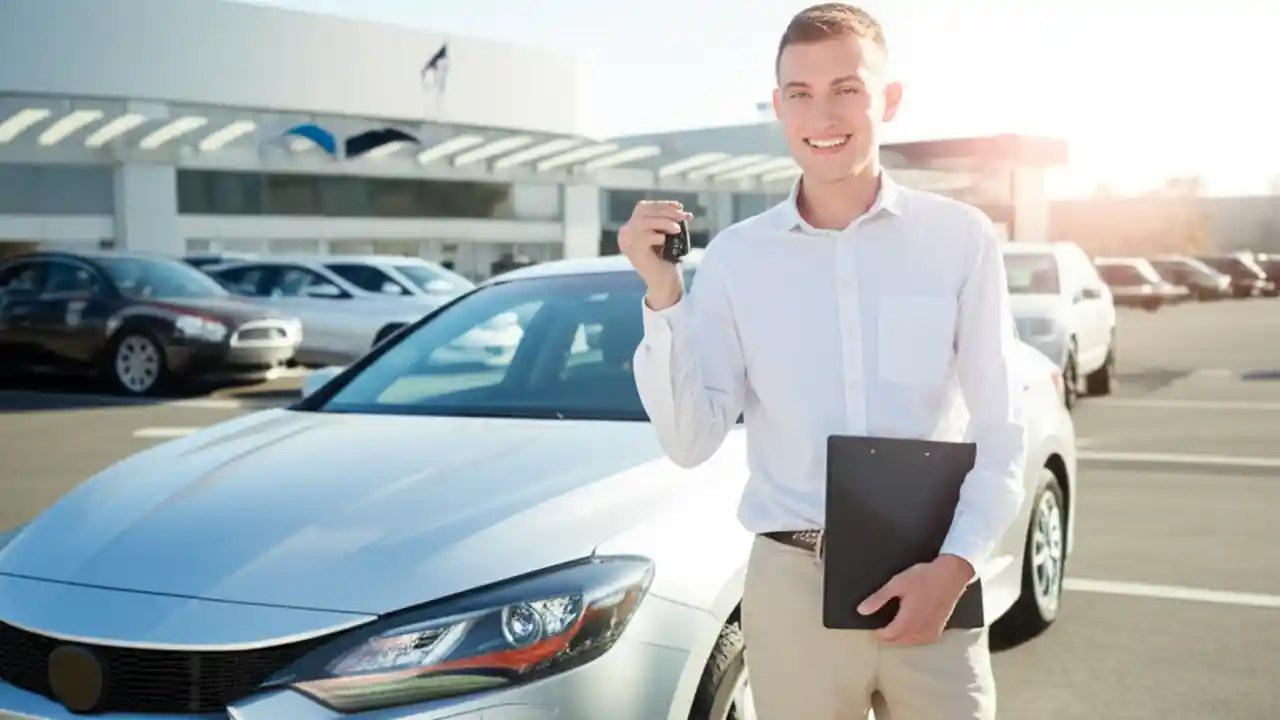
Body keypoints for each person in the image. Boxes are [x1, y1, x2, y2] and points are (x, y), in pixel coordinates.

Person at [620, 4, 1028, 719]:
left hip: (933, 572)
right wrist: (663, 298)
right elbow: (690, 442)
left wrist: (955, 568)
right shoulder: (739, 260)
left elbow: (1002, 430)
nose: (823, 113)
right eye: (801, 94)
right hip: (790, 591)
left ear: (889, 100)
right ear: (779, 107)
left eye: (847, 88)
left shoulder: (959, 239)